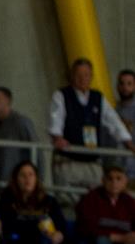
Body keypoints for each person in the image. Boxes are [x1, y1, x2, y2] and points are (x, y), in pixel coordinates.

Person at [49, 57, 131, 215]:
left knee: (95, 204)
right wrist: (56, 136)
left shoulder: (97, 97)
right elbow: (56, 117)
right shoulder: (61, 95)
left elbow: (112, 120)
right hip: (69, 160)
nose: (83, 79)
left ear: (91, 76)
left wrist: (127, 140)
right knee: (67, 203)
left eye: (86, 75)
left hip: (92, 161)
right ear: (72, 75)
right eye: (79, 75)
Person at [0, 157, 68, 244]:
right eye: (23, 175)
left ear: (36, 178)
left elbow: (61, 223)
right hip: (20, 240)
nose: (27, 179)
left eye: (31, 175)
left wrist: (60, 233)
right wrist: (37, 227)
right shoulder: (7, 198)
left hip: (45, 240)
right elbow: (9, 225)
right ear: (16, 179)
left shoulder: (49, 201)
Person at [0, 85, 39, 187]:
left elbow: (37, 153)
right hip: (5, 184)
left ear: (7, 100)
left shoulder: (22, 123)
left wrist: (37, 181)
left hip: (24, 184)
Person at [76, 161, 135, 244]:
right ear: (103, 181)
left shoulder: (130, 201)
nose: (114, 183)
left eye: (118, 178)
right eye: (110, 178)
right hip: (97, 242)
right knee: (102, 242)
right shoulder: (90, 198)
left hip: (125, 242)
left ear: (125, 182)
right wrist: (116, 237)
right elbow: (86, 227)